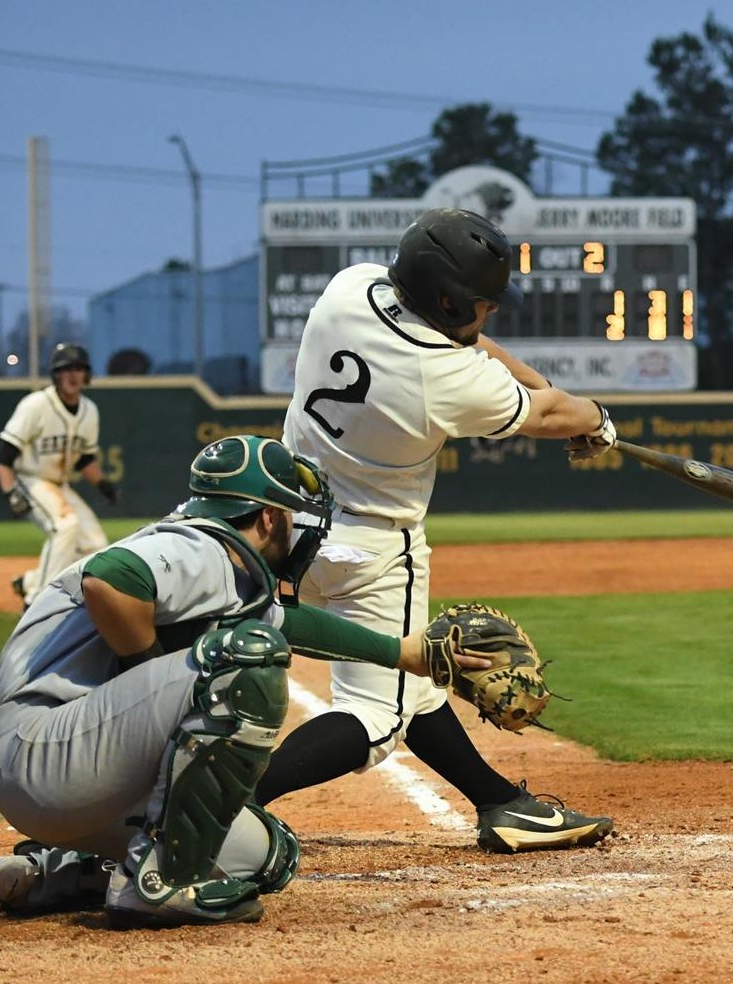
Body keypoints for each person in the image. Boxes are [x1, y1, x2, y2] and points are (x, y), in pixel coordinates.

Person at [0, 436, 489, 927]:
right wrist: (147, 668)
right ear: (267, 516)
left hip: (70, 776)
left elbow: (291, 623)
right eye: (290, 514)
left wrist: (404, 653)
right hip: (44, 752)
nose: (298, 529)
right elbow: (110, 579)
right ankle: (160, 884)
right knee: (247, 659)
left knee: (266, 855)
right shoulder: (201, 545)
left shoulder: (221, 563)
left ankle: (61, 870)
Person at [252, 207, 617, 854]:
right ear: (447, 301)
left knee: (412, 683)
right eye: (482, 302)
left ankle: (499, 802)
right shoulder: (443, 378)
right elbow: (548, 415)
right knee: (377, 716)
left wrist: (547, 392)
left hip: (278, 523)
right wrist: (597, 419)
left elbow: (468, 346)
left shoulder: (348, 287)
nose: (490, 313)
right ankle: (230, 801)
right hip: (369, 551)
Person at [0, 343, 119, 605]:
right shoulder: (36, 404)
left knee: (95, 545)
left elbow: (84, 459)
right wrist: (11, 492)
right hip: (30, 479)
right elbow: (5, 455)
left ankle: (30, 581)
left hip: (58, 485)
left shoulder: (89, 410)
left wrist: (102, 484)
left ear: (86, 375)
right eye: (66, 369)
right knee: (65, 526)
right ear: (55, 375)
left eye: (79, 369)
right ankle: (36, 601)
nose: (73, 375)